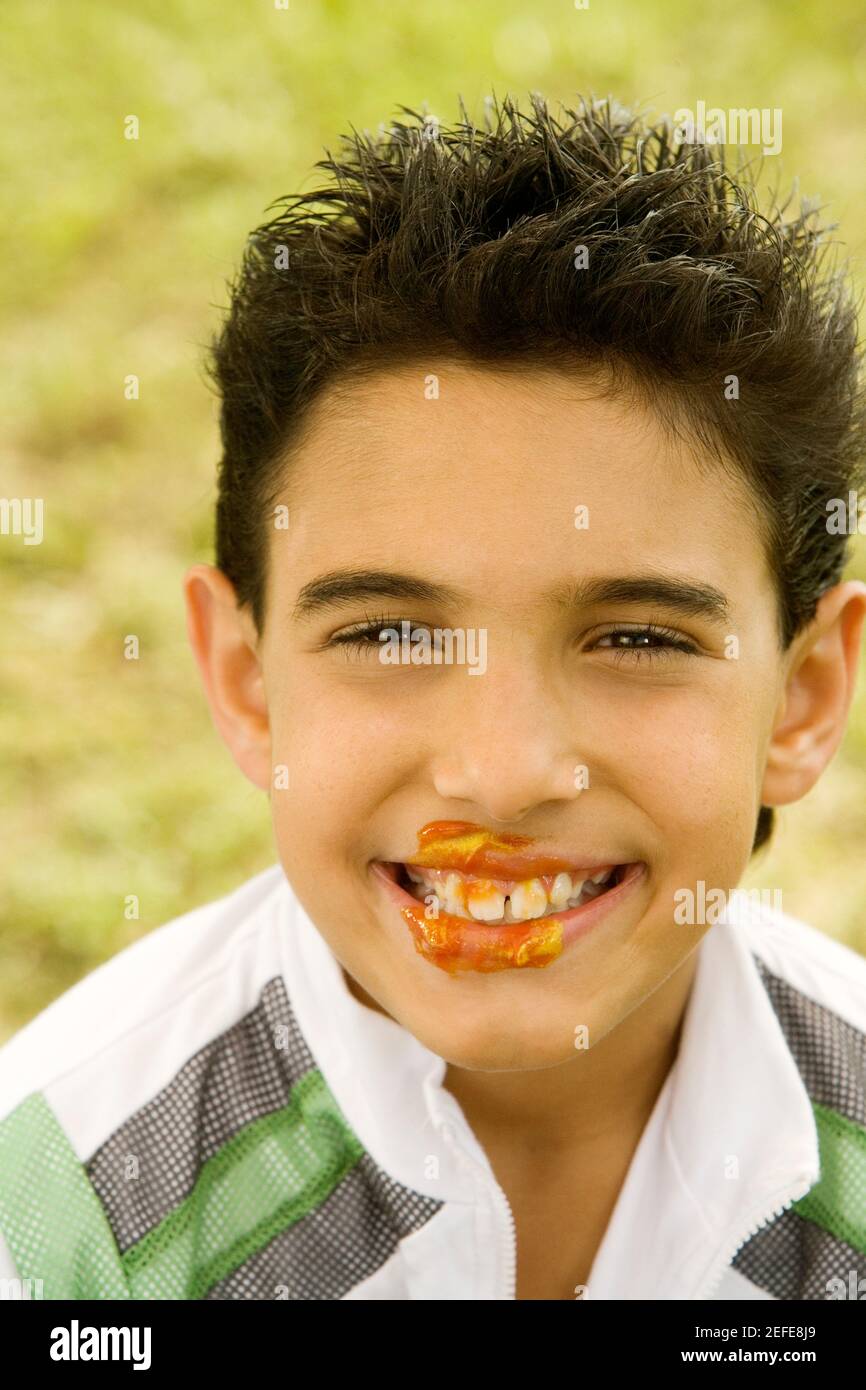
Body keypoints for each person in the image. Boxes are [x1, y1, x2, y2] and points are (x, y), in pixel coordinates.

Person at [2, 93, 865, 1301]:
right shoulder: (57, 1223)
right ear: (248, 684)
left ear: (801, 696)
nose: (505, 770)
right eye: (390, 632)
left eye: (633, 635)